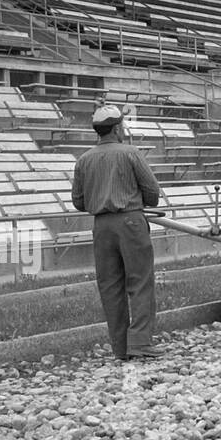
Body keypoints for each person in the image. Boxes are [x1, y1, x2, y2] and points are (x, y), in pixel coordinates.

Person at [70, 103, 164, 361]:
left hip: (101, 226)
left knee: (110, 286)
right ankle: (140, 342)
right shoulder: (131, 153)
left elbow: (78, 201)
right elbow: (153, 194)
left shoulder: (84, 160)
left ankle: (120, 348)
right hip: (130, 221)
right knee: (140, 282)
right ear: (116, 128)